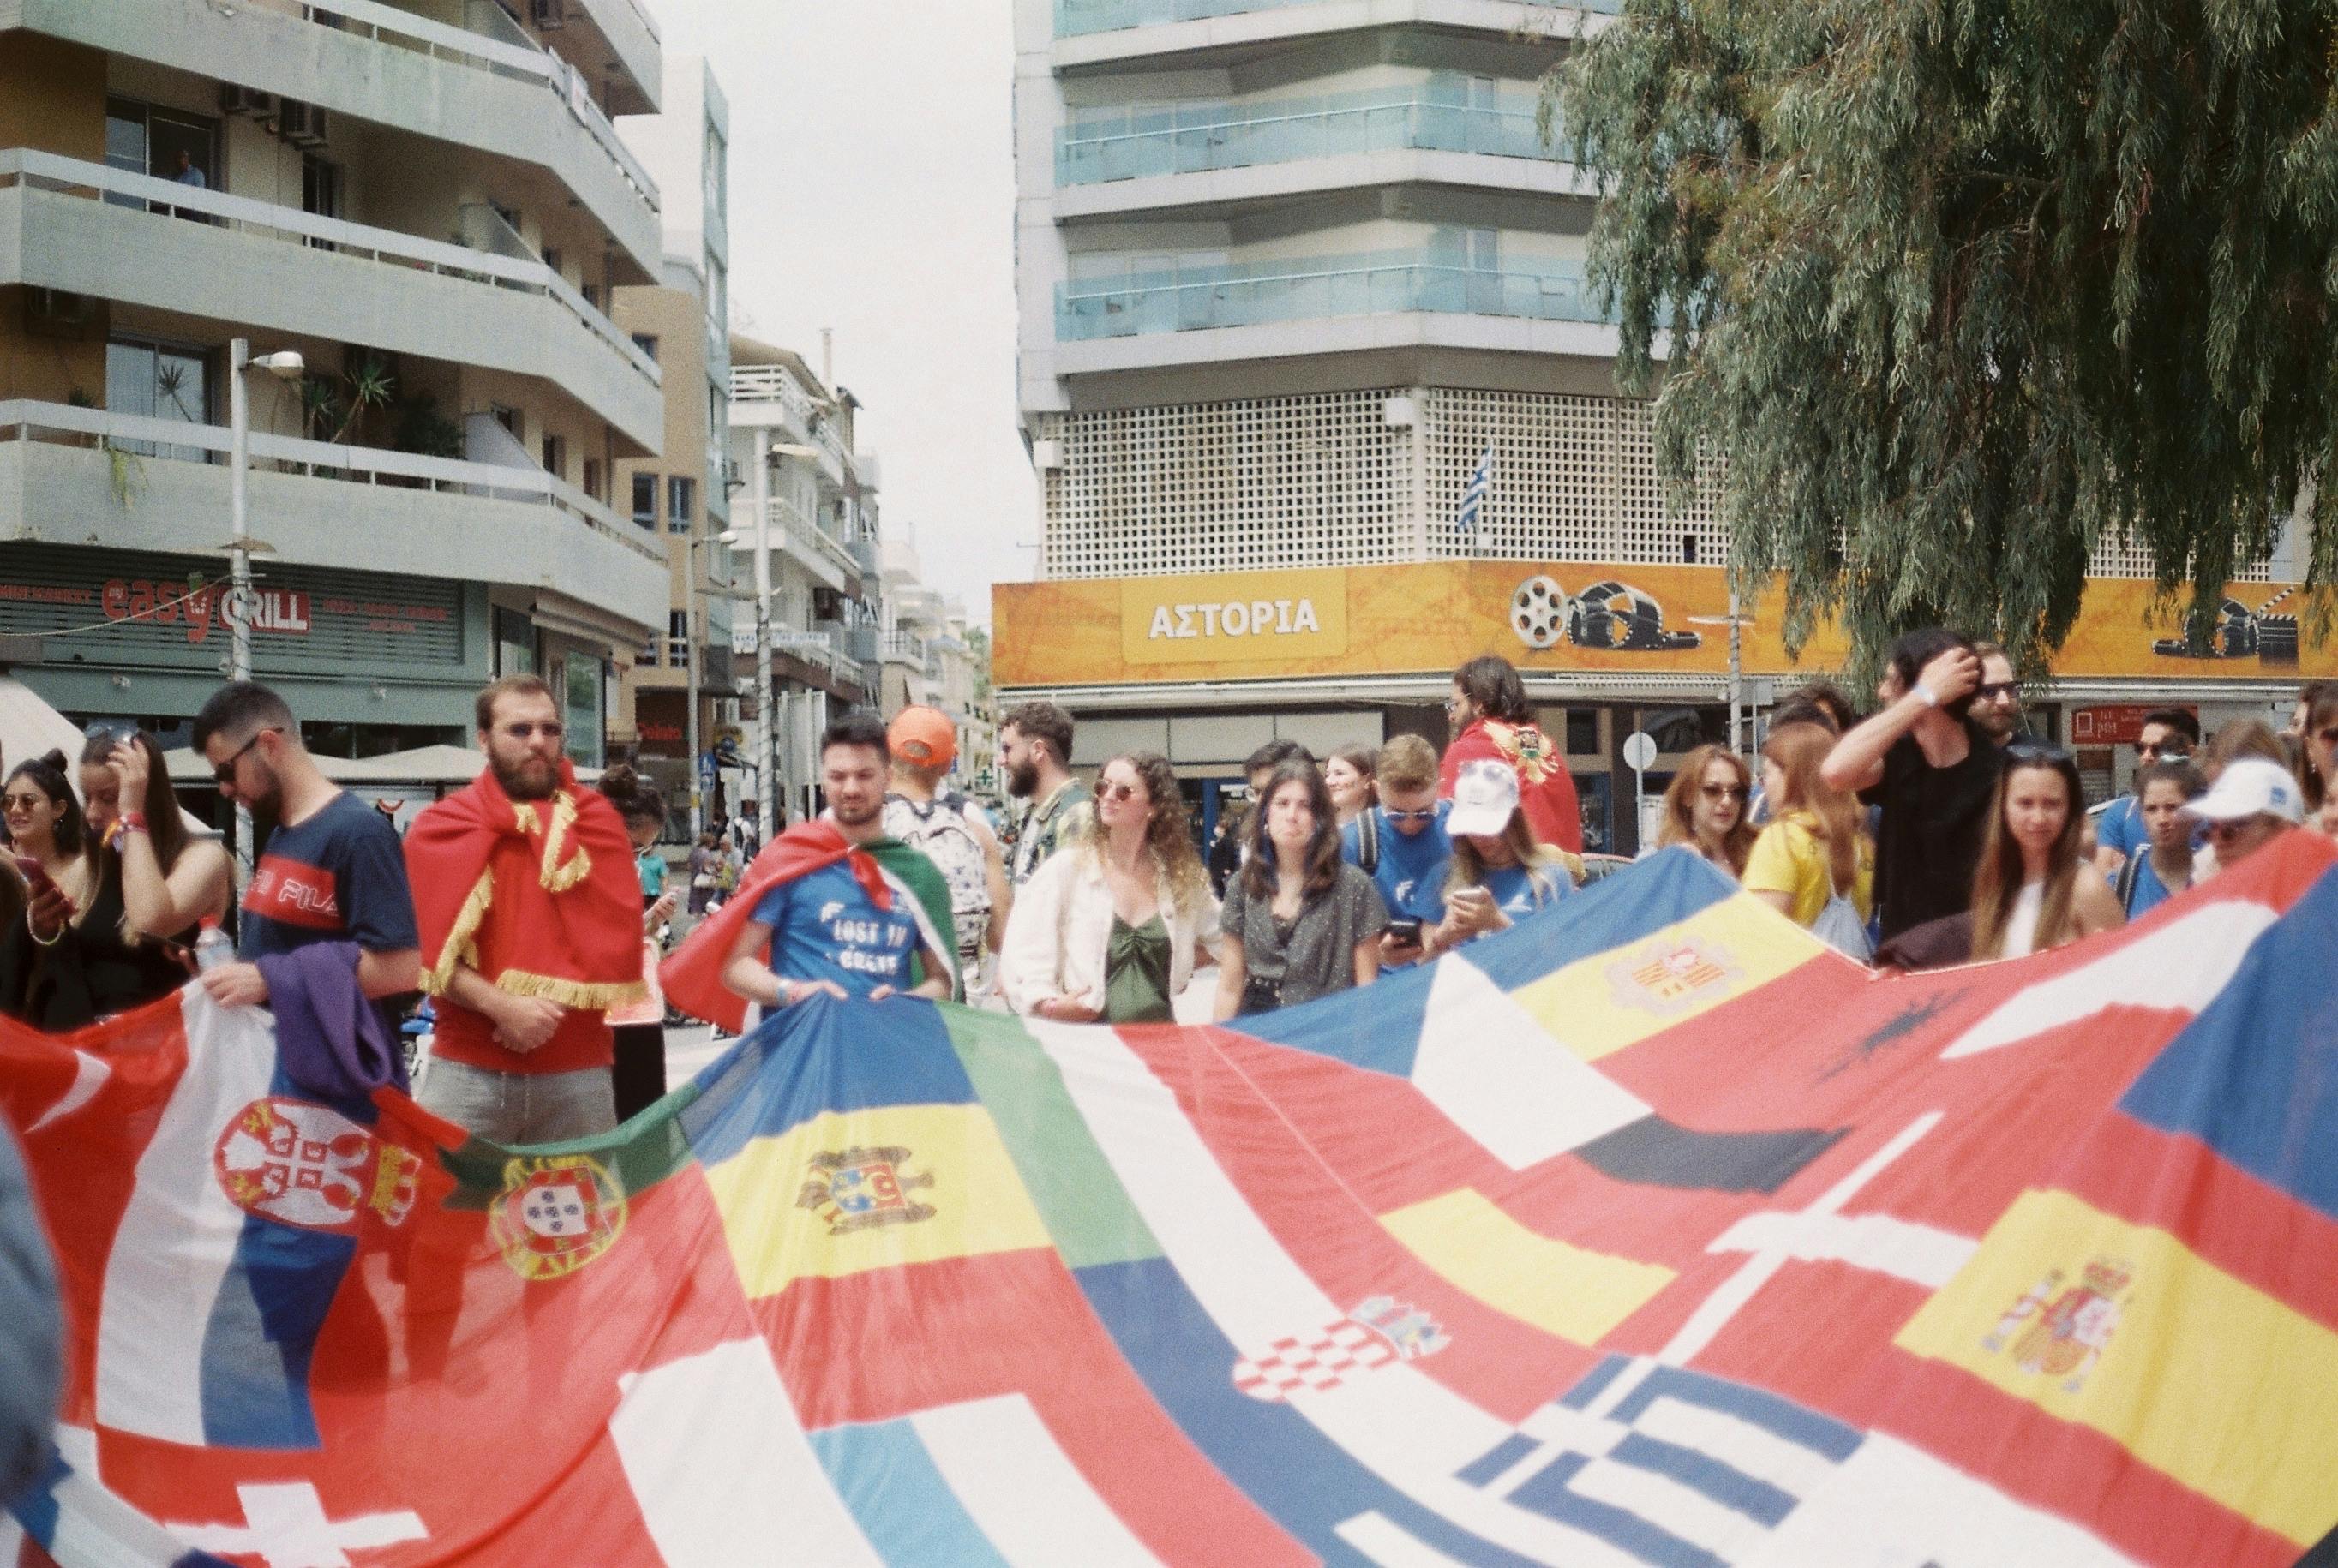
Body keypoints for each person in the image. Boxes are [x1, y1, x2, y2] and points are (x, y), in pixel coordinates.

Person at [403, 677, 647, 1143]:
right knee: (448, 1212)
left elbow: (610, 943)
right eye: (519, 730)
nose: (537, 741)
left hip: (579, 1073)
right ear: (483, 739)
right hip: (466, 1069)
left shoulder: (598, 825)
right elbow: (419, 950)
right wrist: (501, 1007)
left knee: (582, 1214)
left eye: (549, 729)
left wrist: (540, 1014)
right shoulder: (440, 828)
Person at [715, 714, 956, 1014]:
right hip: (801, 1051)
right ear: (823, 779)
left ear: (888, 777)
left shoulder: (918, 874)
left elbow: (943, 982)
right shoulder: (788, 861)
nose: (851, 788)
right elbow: (735, 966)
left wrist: (907, 1000)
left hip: (885, 1051)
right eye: (838, 776)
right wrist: (793, 992)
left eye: (865, 775)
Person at [1, 729, 231, 1030]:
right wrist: (40, 925)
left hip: (169, 1051)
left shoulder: (202, 858)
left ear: (144, 792)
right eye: (87, 797)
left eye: (110, 797)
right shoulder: (89, 869)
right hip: (96, 1050)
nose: (93, 813)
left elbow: (151, 918)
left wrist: (132, 816)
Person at [1000, 751, 1217, 1024]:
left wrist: (1180, 961)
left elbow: (1228, 939)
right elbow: (1021, 952)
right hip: (1090, 1051)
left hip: (1160, 1048)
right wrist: (1049, 1004)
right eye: (1103, 786)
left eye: (1123, 791)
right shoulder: (1068, 869)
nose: (1109, 795)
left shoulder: (1180, 879)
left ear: (1154, 807)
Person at [1821, 627, 2005, 942]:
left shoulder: (2002, 775)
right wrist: (1922, 697)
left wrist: (1922, 693)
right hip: (1902, 956)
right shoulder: (1898, 757)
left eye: (1891, 680)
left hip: (1976, 959)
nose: (1881, 692)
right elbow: (1835, 772)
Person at [1214, 759, 1386, 1018]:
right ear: (1266, 814)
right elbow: (1230, 985)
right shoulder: (1243, 885)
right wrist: (1218, 1049)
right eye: (1282, 804)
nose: (1292, 815)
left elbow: (1367, 993)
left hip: (1327, 1031)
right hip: (1257, 1033)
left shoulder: (1354, 887)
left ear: (1319, 817)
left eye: (1304, 806)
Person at [883, 705, 1010, 1001]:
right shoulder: (974, 828)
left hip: (879, 997)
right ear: (947, 765)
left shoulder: (860, 826)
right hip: (957, 1002)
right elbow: (1000, 935)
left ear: (887, 756)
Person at [1968, 745, 2125, 961]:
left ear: (2070, 810)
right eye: (2025, 803)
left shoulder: (2086, 887)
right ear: (2003, 807)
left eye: (2052, 804)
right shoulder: (1992, 880)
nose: (2038, 818)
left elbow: (2121, 978)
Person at [1744, 721, 1875, 947]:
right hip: (1850, 975)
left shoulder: (1782, 839)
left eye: (1767, 774)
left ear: (1792, 776)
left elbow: (1761, 935)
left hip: (1796, 974)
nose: (1765, 786)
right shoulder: (1861, 845)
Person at [601, 765, 680, 1122]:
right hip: (598, 1016)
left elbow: (621, 934)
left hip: (633, 1008)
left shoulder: (622, 868)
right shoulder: (577, 866)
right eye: (635, 846)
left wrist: (649, 922)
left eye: (645, 849)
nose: (637, 855)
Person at [1441, 655, 1583, 853]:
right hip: (1561, 876)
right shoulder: (1544, 744)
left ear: (1479, 704)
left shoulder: (1469, 747)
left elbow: (1444, 825)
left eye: (1456, 705)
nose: (1451, 716)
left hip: (1509, 875)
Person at [1435, 758, 1573, 949]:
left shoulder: (1551, 877)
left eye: (1488, 827)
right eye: (1471, 827)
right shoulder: (1445, 875)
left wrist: (1497, 923)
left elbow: (1560, 956)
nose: (1480, 837)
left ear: (1514, 822)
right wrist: (1441, 939)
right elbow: (1420, 970)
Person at [1341, 734, 1452, 969]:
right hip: (1384, 987)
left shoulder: (1461, 830)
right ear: (1378, 791)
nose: (1410, 824)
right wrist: (1376, 954)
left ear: (1439, 788)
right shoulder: (1355, 840)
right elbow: (1332, 936)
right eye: (1396, 814)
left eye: (1424, 813)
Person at [0, 752, 91, 1022]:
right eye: (7, 801)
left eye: (28, 802)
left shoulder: (85, 868)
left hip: (62, 1012)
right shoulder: (4, 868)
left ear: (59, 809)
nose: (15, 810)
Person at [2090, 709, 2201, 874]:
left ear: (2188, 753)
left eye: (2158, 749)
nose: (2146, 756)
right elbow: (2106, 880)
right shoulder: (2120, 814)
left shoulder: (2214, 815)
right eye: (2141, 748)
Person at [1001, 701, 1094, 888]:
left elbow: (1078, 900)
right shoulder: (1034, 814)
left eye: (1007, 749)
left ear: (1038, 750)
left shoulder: (1078, 815)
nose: (1001, 760)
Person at [2181, 757, 2305, 876]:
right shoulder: (2205, 885)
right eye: (2209, 830)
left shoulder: (2317, 893)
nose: (2217, 842)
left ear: (2283, 833)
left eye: (2230, 830)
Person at [2115, 761, 2205, 917]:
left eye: (2172, 807)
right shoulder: (2123, 883)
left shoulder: (2215, 876)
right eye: (2151, 809)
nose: (2162, 819)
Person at [1652, 744, 1757, 877]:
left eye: (1736, 791)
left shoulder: (1762, 849)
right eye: (1712, 790)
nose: (1727, 801)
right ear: (1687, 796)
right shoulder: (1663, 857)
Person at [1969, 643, 2028, 747]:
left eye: (2010, 688)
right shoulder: (1941, 760)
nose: (2004, 701)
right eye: (1990, 691)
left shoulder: (2042, 760)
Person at [1323, 744, 1377, 828]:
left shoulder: (1382, 826)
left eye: (1339, 774)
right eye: (1327, 775)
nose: (1329, 782)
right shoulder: (1318, 826)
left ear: (1367, 780)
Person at [687, 830, 719, 912]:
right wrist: (714, 873)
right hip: (704, 883)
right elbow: (706, 868)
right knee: (705, 903)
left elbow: (689, 866)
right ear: (709, 842)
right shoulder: (706, 853)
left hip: (695, 879)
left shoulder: (694, 852)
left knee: (695, 901)